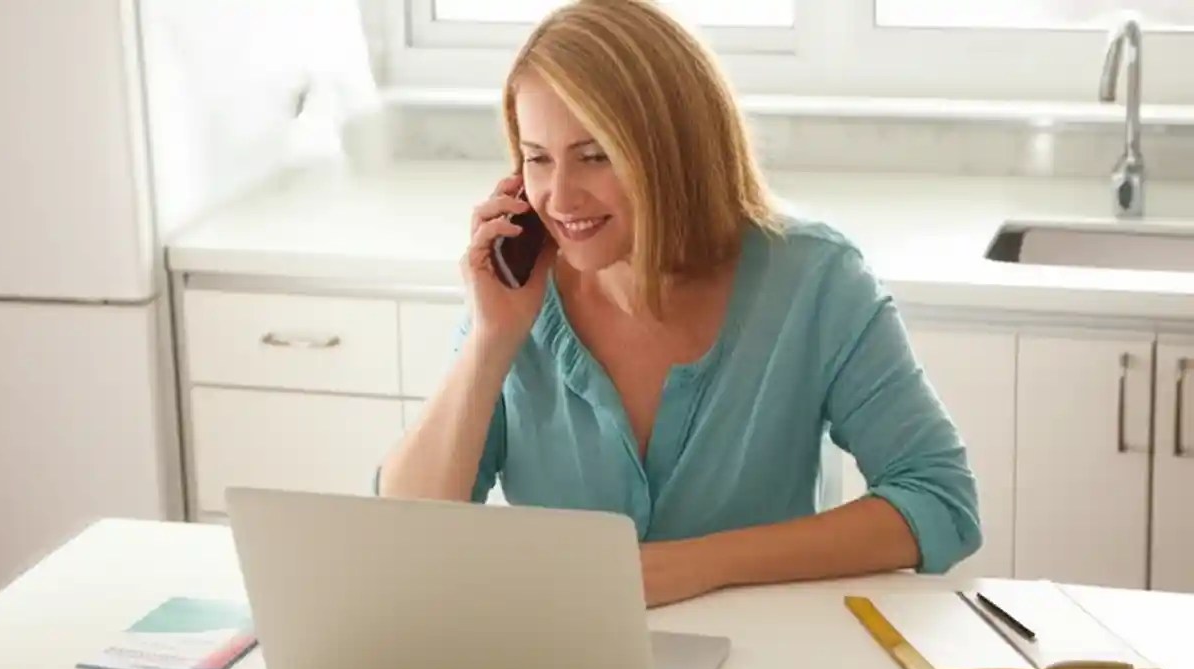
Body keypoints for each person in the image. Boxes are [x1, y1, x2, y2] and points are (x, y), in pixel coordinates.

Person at [376, 0, 980, 607]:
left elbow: (939, 500)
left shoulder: (815, 281)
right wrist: (489, 340)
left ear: (672, 151)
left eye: (595, 156)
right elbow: (403, 536)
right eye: (537, 157)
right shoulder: (517, 298)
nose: (559, 197)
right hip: (568, 666)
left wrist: (696, 566)